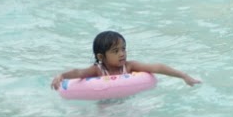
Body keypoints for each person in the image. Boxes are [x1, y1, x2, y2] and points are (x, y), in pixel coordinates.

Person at [49, 30, 200, 89]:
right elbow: (79, 73)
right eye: (115, 51)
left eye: (123, 48)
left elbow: (157, 67)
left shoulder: (129, 67)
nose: (122, 54)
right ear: (101, 57)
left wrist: (184, 76)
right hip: (104, 104)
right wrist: (61, 76)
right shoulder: (97, 70)